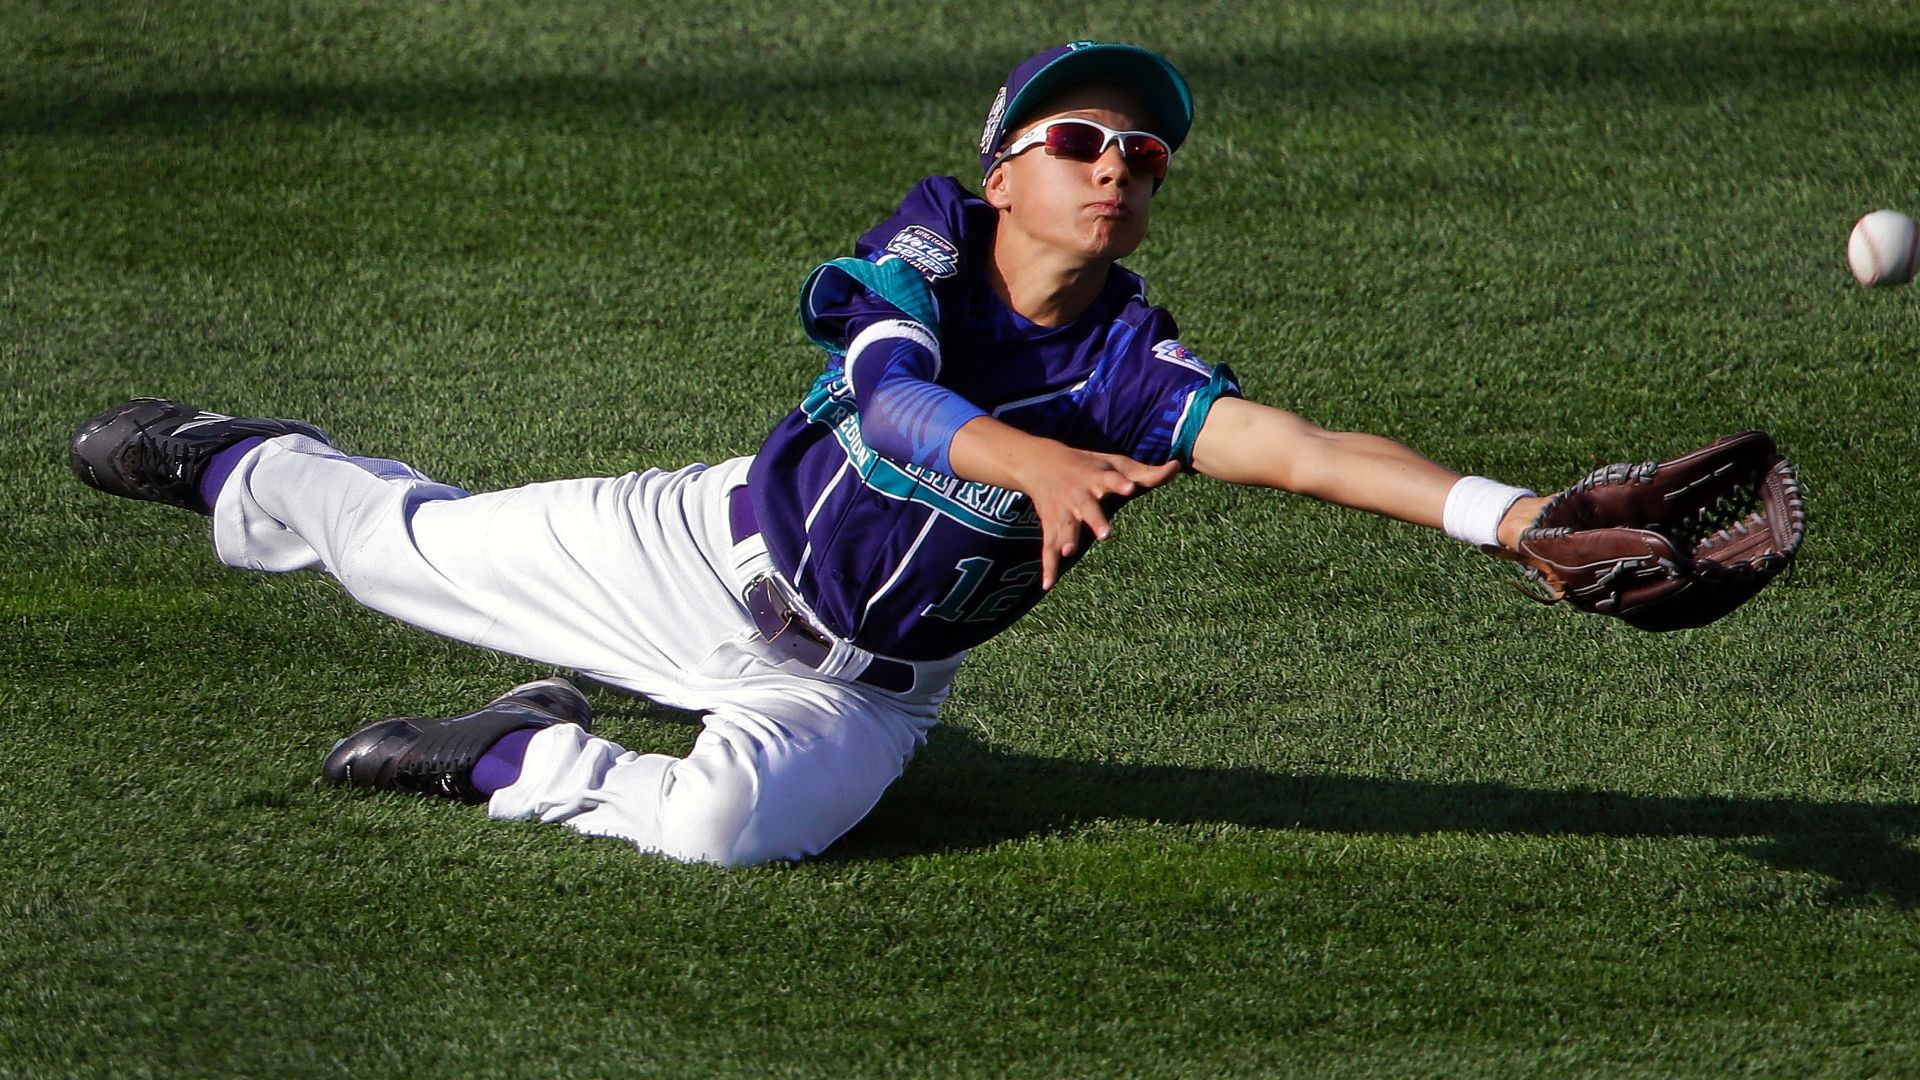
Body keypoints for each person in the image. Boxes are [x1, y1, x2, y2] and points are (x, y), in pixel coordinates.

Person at [69, 42, 1549, 866]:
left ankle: (519, 749)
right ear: (1001, 172)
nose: (1115, 167)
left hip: (860, 696)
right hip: (695, 551)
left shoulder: (1125, 364)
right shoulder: (927, 240)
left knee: (720, 838)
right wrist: (1021, 462)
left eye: (1142, 158)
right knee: (394, 547)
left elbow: (1298, 449)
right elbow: (891, 390)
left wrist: (1512, 516)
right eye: (1081, 139)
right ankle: (231, 460)